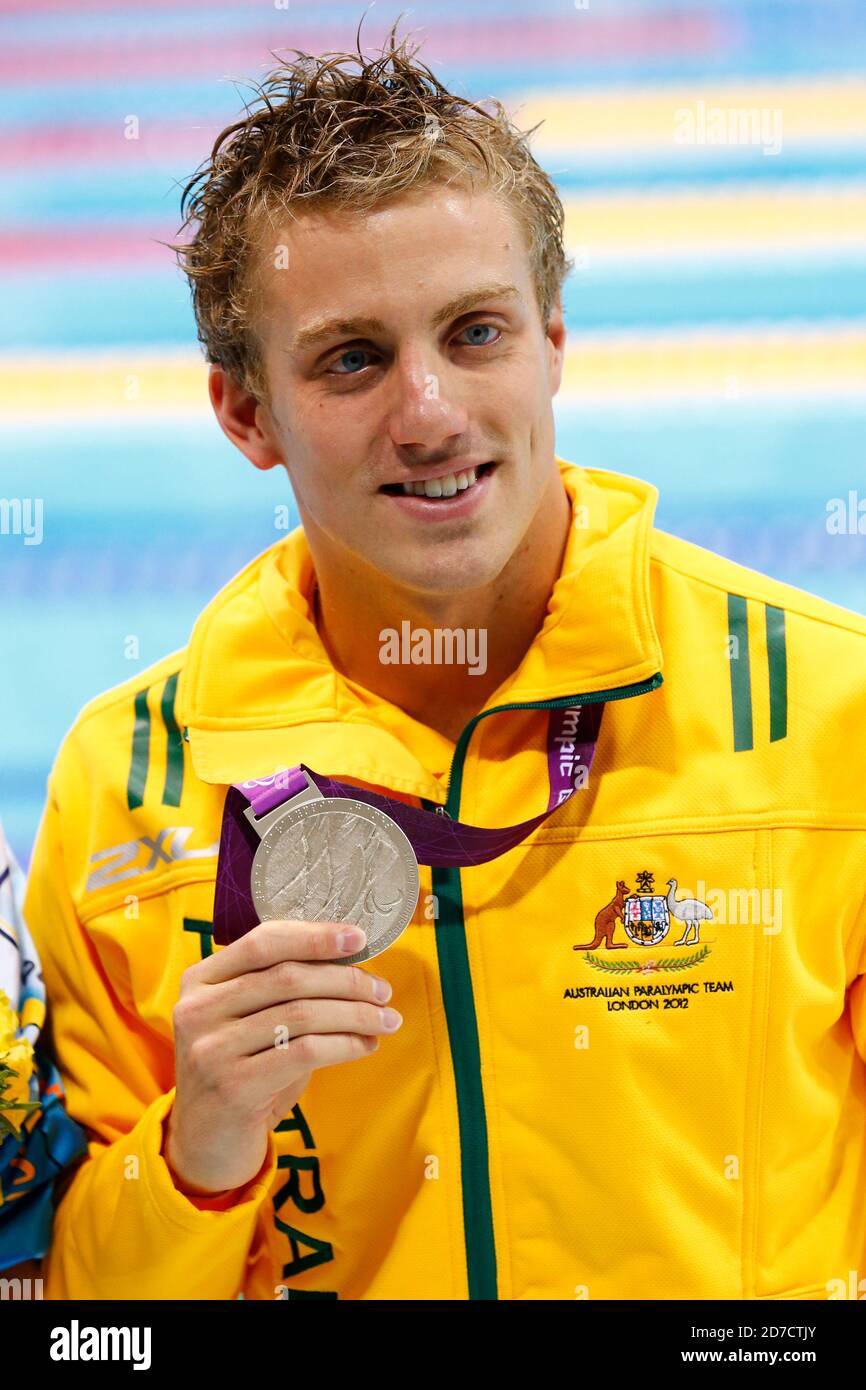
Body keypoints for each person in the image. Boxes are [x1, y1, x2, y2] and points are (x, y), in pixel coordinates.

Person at [24, 25, 866, 1301]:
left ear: (552, 343)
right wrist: (196, 1154)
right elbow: (89, 1329)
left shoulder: (823, 713)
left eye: (474, 334)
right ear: (247, 413)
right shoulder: (129, 788)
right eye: (351, 358)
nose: (429, 413)